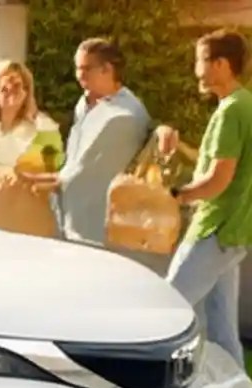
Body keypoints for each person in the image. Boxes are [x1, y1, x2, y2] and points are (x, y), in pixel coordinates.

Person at [156, 29, 252, 363]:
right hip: (234, 233)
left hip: (214, 229)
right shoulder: (244, 106)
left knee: (167, 307)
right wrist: (180, 147)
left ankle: (146, 387)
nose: (196, 69)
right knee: (223, 330)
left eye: (200, 61)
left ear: (222, 65)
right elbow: (219, 165)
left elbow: (218, 180)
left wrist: (176, 196)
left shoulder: (229, 112)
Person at [26, 38, 154, 265]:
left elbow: (91, 171)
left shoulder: (125, 115)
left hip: (104, 229)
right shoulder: (84, 103)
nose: (79, 75)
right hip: (74, 223)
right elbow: (75, 160)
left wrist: (53, 181)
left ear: (107, 69)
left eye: (86, 69)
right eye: (77, 68)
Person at [0, 59, 65, 238]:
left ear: (27, 91)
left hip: (30, 225)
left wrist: (4, 176)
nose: (11, 90)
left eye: (18, 84)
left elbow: (50, 177)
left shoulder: (45, 128)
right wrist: (13, 177)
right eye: (5, 85)